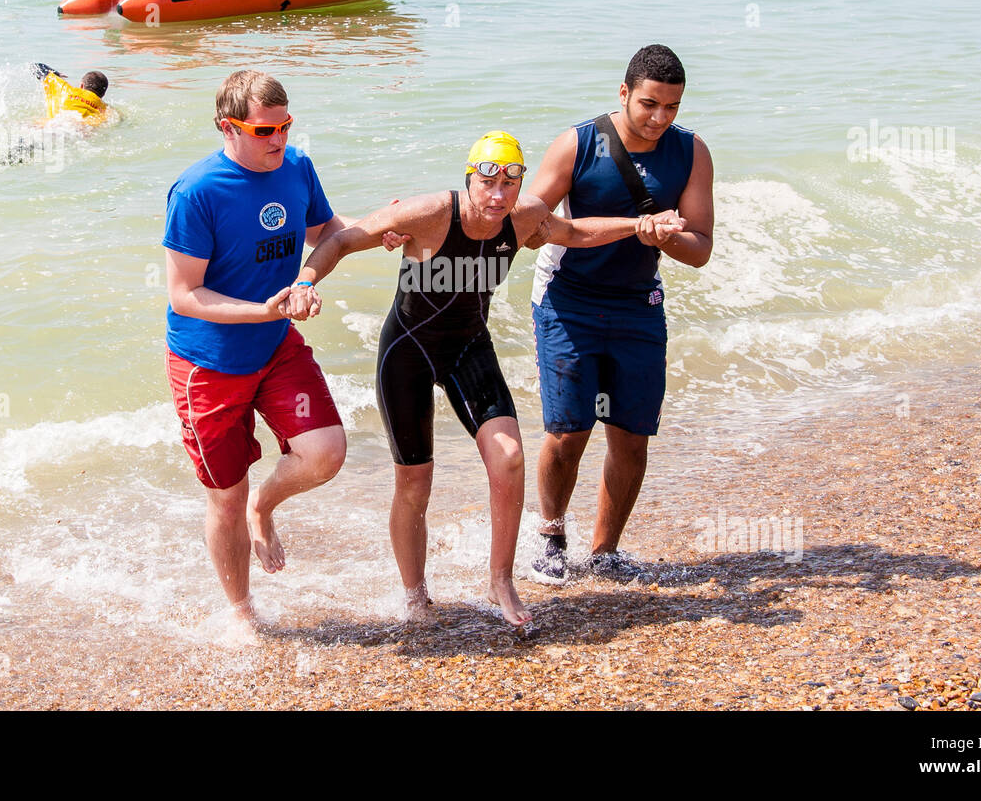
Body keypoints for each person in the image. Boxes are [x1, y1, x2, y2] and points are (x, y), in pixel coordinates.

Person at [286, 132, 683, 626]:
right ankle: (415, 596)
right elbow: (343, 239)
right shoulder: (430, 213)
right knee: (415, 481)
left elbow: (577, 233)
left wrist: (640, 223)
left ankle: (501, 581)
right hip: (408, 352)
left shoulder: (523, 217)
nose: (497, 196)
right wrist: (304, 282)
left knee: (510, 455)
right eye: (488, 182)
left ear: (520, 184)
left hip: (469, 347)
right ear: (469, 177)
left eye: (510, 183)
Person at [163, 70, 357, 642]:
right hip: (208, 366)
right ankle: (243, 612)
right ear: (230, 127)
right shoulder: (196, 191)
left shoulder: (296, 165)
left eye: (286, 125)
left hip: (275, 347)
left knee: (325, 453)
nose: (280, 139)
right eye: (266, 129)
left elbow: (329, 230)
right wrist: (267, 311)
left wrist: (382, 233)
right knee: (226, 495)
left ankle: (264, 509)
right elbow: (184, 295)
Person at [526, 44, 715, 586]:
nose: (659, 119)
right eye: (649, 104)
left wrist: (667, 235)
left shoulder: (691, 152)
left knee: (631, 434)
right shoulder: (578, 144)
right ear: (624, 93)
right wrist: (632, 226)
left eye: (672, 107)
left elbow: (700, 249)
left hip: (637, 302)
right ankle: (551, 535)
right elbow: (533, 224)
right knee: (569, 431)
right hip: (568, 298)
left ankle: (606, 551)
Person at [28, 63, 108, 122]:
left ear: (81, 86)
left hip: (58, 123)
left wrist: (56, 74)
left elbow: (36, 67)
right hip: (81, 128)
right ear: (103, 94)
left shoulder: (64, 88)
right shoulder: (105, 108)